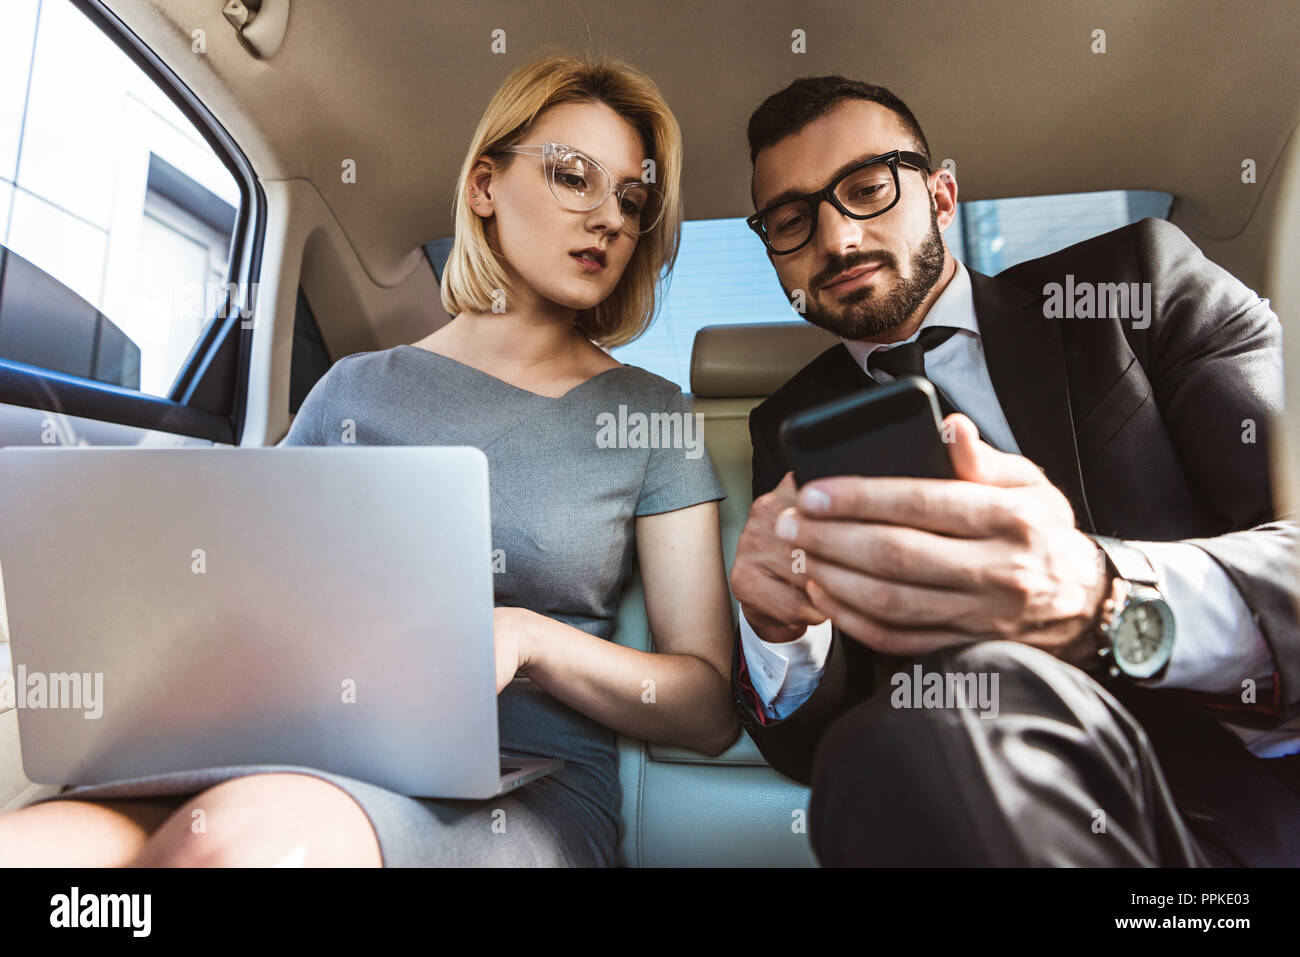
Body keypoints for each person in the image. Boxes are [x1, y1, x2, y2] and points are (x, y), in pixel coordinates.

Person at [0, 54, 738, 867]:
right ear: (484, 186)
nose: (608, 219)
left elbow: (706, 704)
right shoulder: (352, 391)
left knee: (247, 848)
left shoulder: (652, 416)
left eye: (631, 200)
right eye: (574, 177)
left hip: (517, 787)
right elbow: (239, 586)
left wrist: (526, 638)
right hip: (296, 743)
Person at [728, 75, 1300, 866]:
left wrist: (1099, 592)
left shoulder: (1133, 283)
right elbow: (821, 744)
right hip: (971, 800)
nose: (837, 239)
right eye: (793, 221)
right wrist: (776, 631)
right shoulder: (787, 429)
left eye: (866, 189)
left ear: (942, 195)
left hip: (1239, 803)